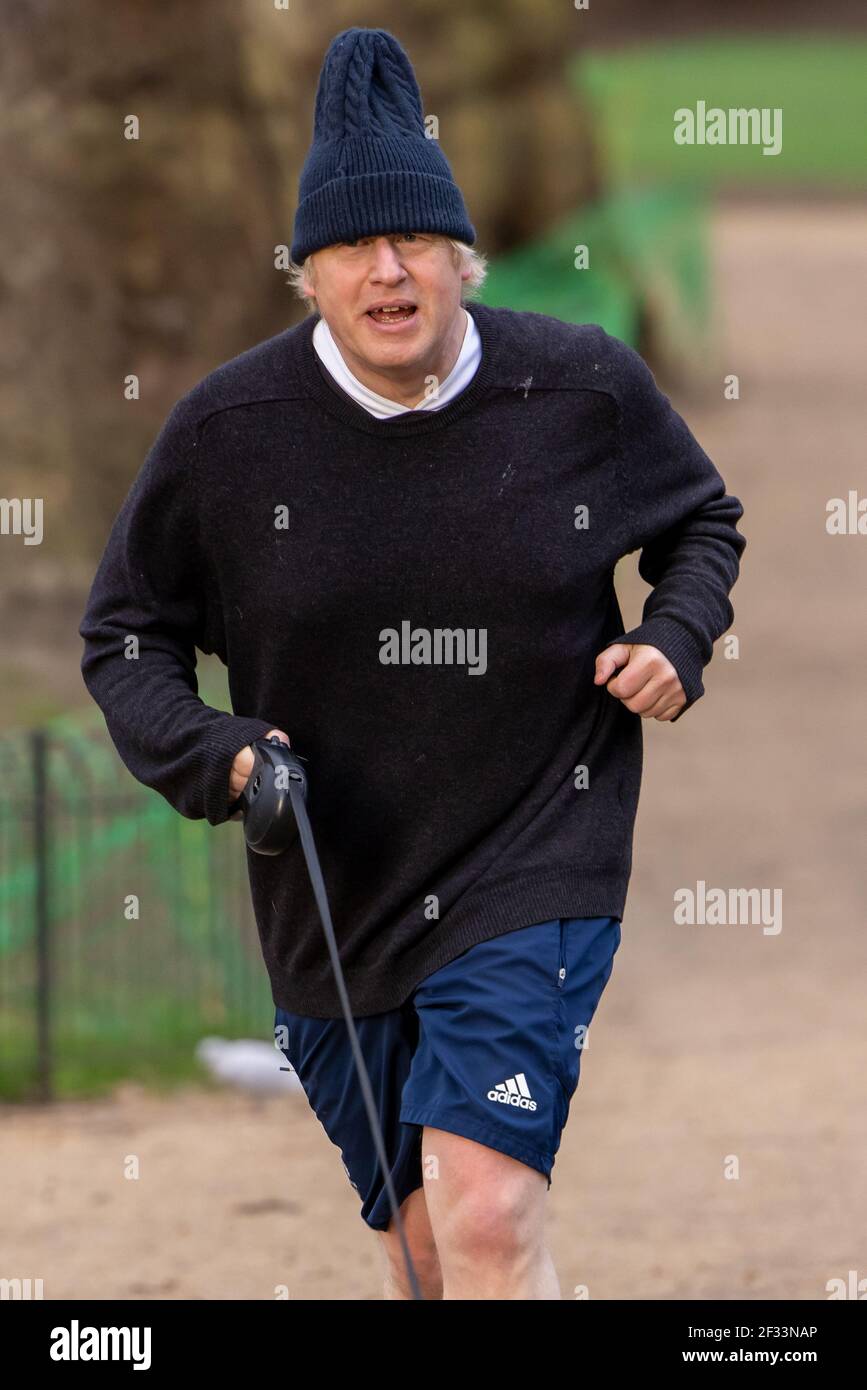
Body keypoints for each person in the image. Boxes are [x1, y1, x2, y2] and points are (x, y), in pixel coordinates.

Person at [79, 27, 746, 1300]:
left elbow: (701, 520)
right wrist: (215, 753)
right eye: (351, 248)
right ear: (309, 273)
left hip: (534, 849)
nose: (387, 272)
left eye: (414, 243)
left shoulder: (579, 389)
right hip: (336, 885)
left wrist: (674, 635)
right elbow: (126, 633)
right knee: (429, 1252)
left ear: (461, 258)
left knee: (488, 1213)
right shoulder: (231, 435)